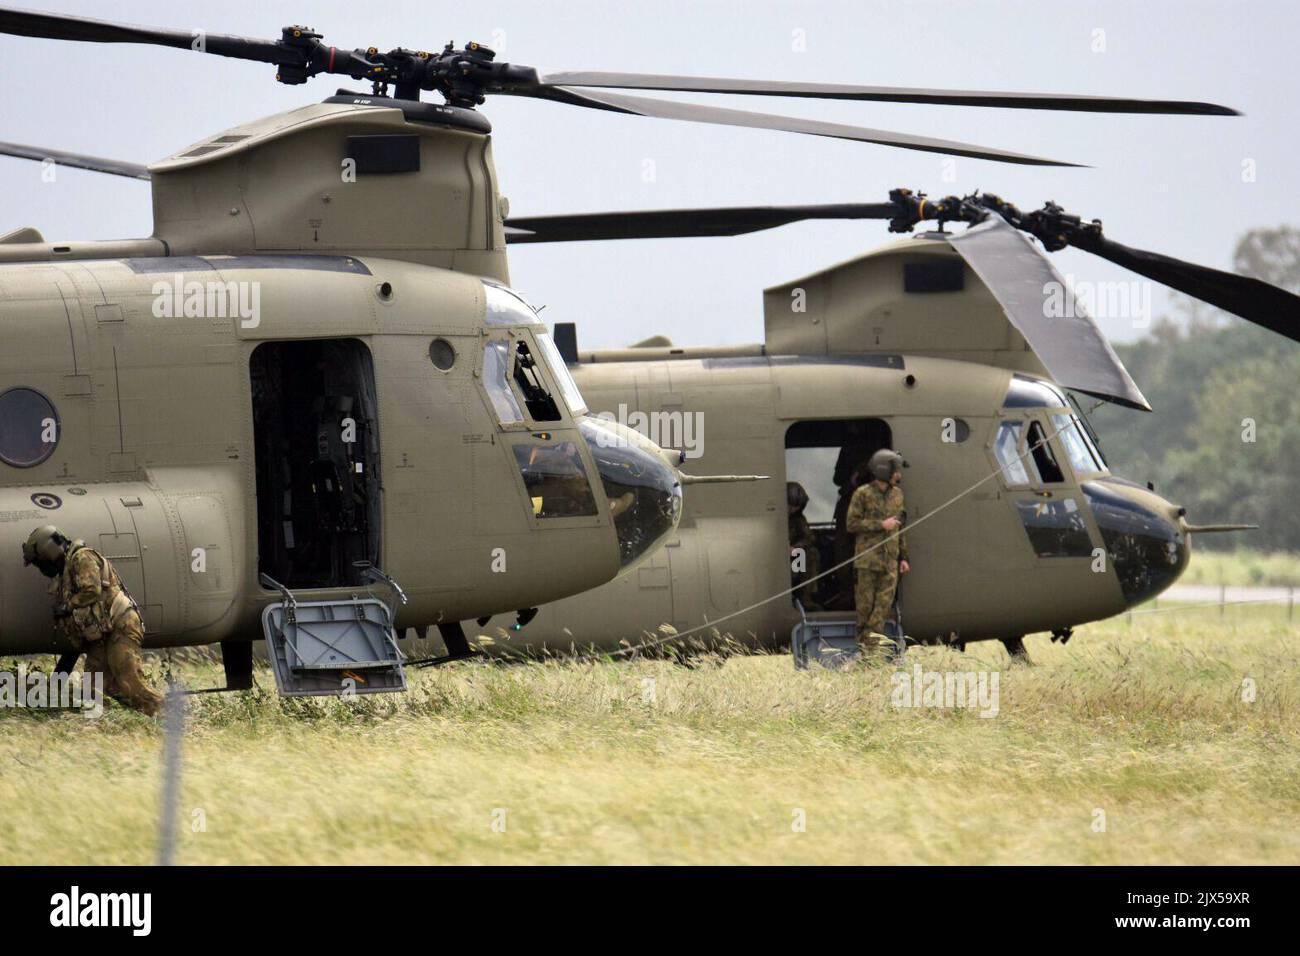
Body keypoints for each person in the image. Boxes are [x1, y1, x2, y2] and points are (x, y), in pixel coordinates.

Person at [21, 525, 162, 716]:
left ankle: (168, 715)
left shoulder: (81, 558)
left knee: (128, 680)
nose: (41, 568)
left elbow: (92, 590)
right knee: (95, 690)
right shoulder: (65, 574)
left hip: (120, 625)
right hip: (101, 636)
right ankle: (115, 724)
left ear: (48, 552)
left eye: (39, 562)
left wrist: (68, 605)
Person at [845, 449, 911, 657]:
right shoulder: (862, 494)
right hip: (867, 562)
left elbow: (900, 528)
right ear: (885, 471)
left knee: (881, 611)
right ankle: (865, 654)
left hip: (890, 562)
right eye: (895, 470)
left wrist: (904, 557)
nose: (898, 475)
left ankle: (870, 655)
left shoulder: (898, 495)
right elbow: (851, 524)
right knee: (865, 613)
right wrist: (880, 524)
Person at [787, 481, 821, 608]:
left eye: (795, 507)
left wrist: (795, 547)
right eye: (791, 506)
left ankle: (805, 596)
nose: (793, 510)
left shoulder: (798, 520)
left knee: (811, 554)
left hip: (795, 559)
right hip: (775, 560)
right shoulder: (774, 518)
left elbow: (809, 538)